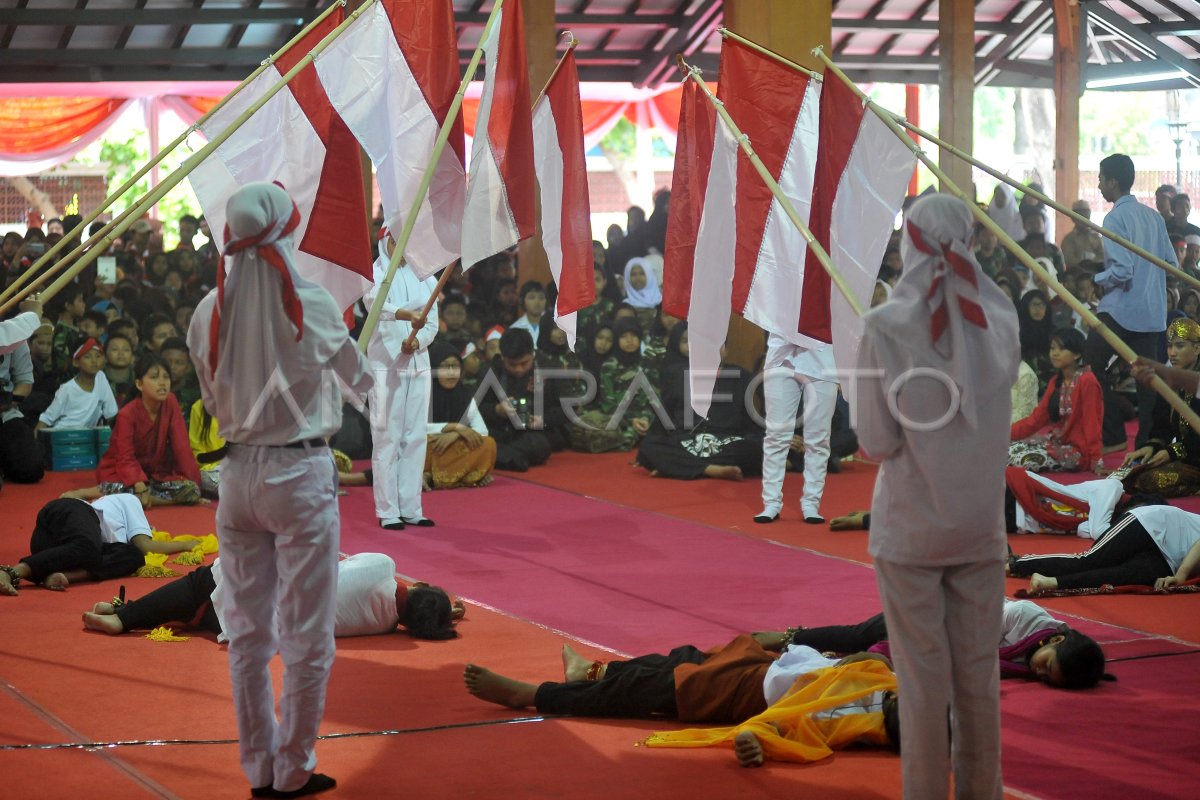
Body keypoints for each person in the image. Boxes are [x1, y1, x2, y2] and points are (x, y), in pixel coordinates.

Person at [186, 182, 374, 798]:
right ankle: (293, 769)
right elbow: (362, 383)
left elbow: (214, 400)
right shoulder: (312, 304)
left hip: (236, 476)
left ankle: (259, 768)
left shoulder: (207, 311)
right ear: (282, 232)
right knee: (307, 634)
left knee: (247, 634)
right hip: (299, 475)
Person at [855, 194, 1019, 800]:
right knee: (979, 683)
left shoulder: (884, 326)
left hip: (911, 531)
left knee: (923, 688)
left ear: (909, 242)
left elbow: (874, 441)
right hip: (980, 527)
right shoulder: (1001, 318)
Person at [464, 634, 896, 740]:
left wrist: (758, 741)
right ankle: (593, 671)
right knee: (681, 657)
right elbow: (874, 649)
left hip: (747, 692)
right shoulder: (893, 683)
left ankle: (532, 694)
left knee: (641, 690)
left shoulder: (866, 719)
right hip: (768, 666)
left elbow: (799, 729)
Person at [82, 552, 462, 641]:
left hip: (244, 604)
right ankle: (129, 611)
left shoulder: (383, 566)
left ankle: (125, 618)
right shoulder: (383, 625)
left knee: (206, 578)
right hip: (253, 630)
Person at [751, 598, 1107, 691]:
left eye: (1045, 678)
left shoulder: (1034, 648)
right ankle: (790, 637)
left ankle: (815, 654)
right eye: (1046, 664)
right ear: (1056, 639)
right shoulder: (1026, 617)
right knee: (861, 636)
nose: (1037, 671)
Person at [1086, 154, 1174, 450]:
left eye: (1100, 179)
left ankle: (1113, 435)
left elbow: (1123, 270)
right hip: (1151, 313)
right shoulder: (1153, 217)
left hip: (1122, 309)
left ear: (1113, 181)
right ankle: (1146, 444)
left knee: (1091, 364)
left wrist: (1096, 281)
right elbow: (1170, 263)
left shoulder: (1114, 218)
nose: (1098, 185)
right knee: (1147, 381)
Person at [364, 233, 439, 531]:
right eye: (396, 241)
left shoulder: (425, 276)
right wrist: (405, 317)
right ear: (386, 242)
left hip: (418, 363)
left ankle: (411, 507)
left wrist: (417, 341)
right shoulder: (376, 272)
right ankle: (387, 509)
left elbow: (432, 321)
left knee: (415, 436)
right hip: (385, 364)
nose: (402, 249)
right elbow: (375, 306)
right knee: (387, 436)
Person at [63, 353, 201, 507]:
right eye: (154, 377)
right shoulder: (126, 414)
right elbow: (125, 457)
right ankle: (85, 492)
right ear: (139, 384)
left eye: (166, 377)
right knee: (122, 488)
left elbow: (181, 446)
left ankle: (147, 500)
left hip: (155, 473)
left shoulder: (171, 401)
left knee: (191, 489)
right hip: (121, 473)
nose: (162, 383)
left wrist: (193, 482)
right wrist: (138, 484)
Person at [0, 494, 197, 595]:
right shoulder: (130, 500)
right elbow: (146, 546)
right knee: (88, 546)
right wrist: (187, 543)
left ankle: (65, 576)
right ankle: (11, 571)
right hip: (70, 511)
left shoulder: (117, 542)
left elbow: (139, 551)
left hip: (57, 550)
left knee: (134, 557)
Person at [636, 324, 763, 481]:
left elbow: (751, 417)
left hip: (726, 441)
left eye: (720, 345)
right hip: (687, 439)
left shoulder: (742, 375)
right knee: (649, 446)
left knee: (755, 448)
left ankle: (678, 467)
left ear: (727, 350)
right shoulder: (679, 374)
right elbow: (666, 413)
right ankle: (711, 469)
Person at [1010, 502, 1200, 594]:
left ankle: (1051, 582)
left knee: (1118, 576)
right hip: (1154, 524)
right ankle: (1016, 564)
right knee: (1090, 560)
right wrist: (1182, 575)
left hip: (1171, 560)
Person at [755, 330, 838, 525]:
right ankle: (771, 502)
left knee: (818, 438)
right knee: (776, 434)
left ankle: (811, 503)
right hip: (782, 356)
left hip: (824, 356)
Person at [1118, 317, 1200, 497]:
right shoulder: (1169, 380)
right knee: (1124, 476)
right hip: (1184, 457)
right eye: (1170, 346)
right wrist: (1152, 446)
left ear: (1197, 348)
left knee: (1148, 481)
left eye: (1180, 346)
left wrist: (1172, 452)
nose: (1172, 353)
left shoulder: (1194, 381)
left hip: (1196, 459)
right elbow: (1161, 426)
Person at [1008, 327, 1104, 472]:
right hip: (1056, 443)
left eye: (1061, 349)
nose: (1055, 353)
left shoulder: (1087, 380)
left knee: (1020, 460)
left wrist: (1096, 460)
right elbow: (1037, 419)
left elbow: (1092, 422)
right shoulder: (1056, 381)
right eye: (1052, 348)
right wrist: (1004, 434)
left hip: (1077, 453)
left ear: (1077, 354)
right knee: (1004, 450)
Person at [478, 328, 565, 471]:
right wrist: (497, 410)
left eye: (524, 363)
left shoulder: (551, 366)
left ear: (533, 354)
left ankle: (495, 456)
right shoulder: (491, 370)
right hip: (502, 429)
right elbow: (476, 409)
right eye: (512, 364)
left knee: (540, 445)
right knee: (478, 438)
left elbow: (569, 410)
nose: (519, 369)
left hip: (535, 433)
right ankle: (510, 458)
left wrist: (543, 420)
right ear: (502, 357)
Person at [425, 340, 496, 489]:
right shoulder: (420, 392)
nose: (451, 373)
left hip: (453, 446)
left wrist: (458, 434)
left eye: (455, 366)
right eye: (444, 367)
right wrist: (452, 427)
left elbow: (482, 431)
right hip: (429, 448)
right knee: (418, 443)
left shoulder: (464, 393)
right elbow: (412, 429)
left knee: (488, 444)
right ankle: (464, 475)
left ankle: (433, 477)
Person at [36, 338, 118, 431]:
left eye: (98, 356)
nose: (94, 360)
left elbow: (111, 414)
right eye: (87, 357)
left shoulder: (101, 377)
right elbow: (47, 418)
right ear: (76, 362)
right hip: (64, 434)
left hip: (88, 437)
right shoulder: (67, 389)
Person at [622, 256, 662, 334]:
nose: (638, 278)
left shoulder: (660, 301)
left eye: (642, 273)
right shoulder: (625, 305)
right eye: (633, 274)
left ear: (649, 274)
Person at [1061, 200, 1104, 270]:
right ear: (1073, 218)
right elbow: (1069, 260)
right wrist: (1086, 265)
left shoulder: (1096, 237)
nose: (1083, 219)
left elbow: (1103, 256)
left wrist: (1093, 264)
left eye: (1086, 215)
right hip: (1076, 276)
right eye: (1081, 215)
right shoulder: (1068, 239)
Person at [508, 281, 546, 347]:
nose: (537, 302)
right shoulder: (515, 328)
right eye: (531, 297)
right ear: (522, 300)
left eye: (541, 297)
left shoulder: (557, 324)